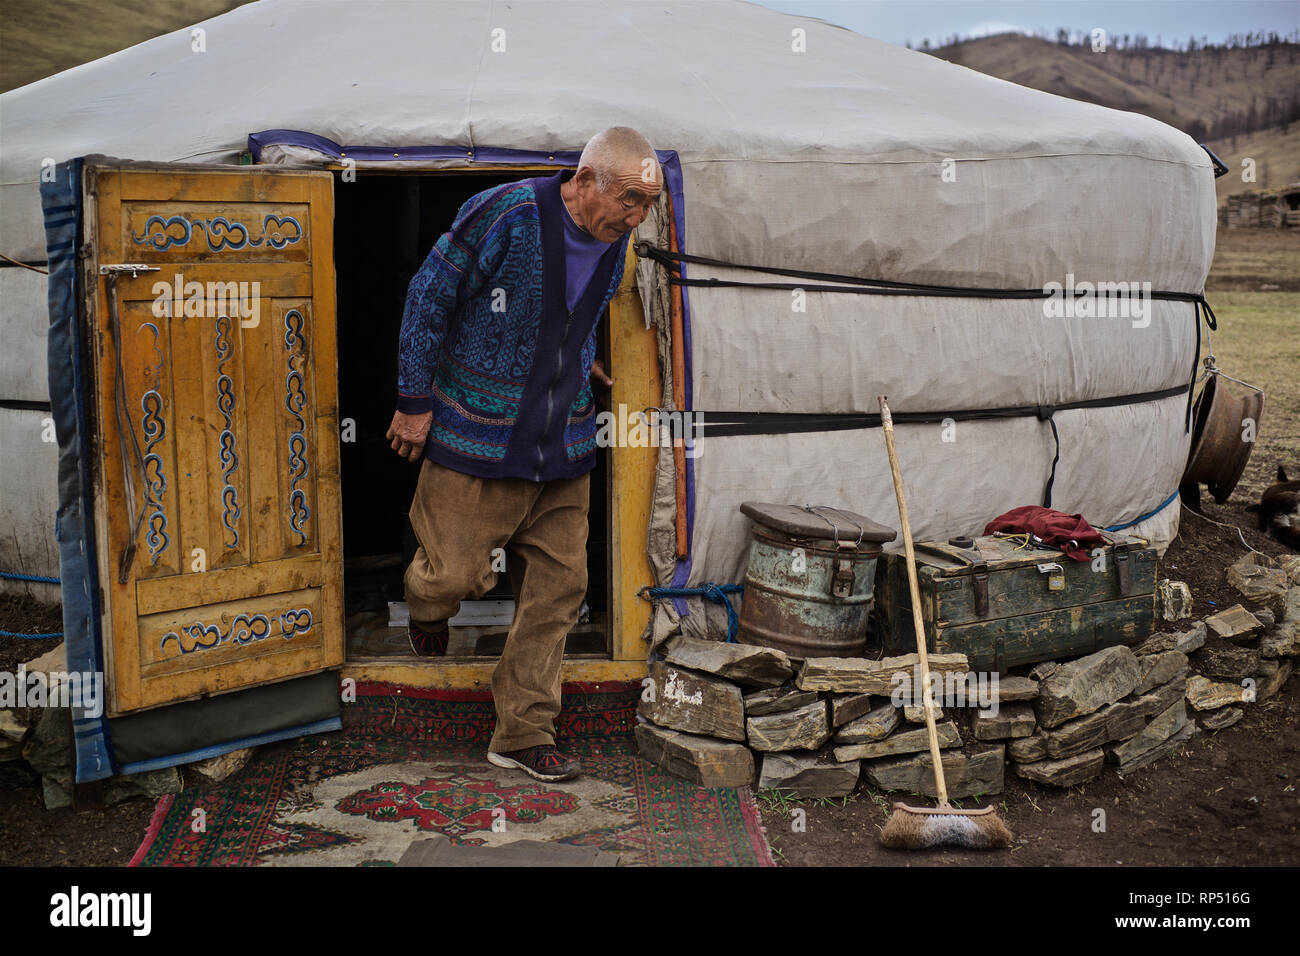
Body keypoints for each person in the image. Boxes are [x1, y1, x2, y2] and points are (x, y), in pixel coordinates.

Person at [386, 127, 662, 782]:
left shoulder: (615, 233)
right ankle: (424, 607)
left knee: (559, 592)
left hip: (562, 442)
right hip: (477, 433)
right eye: (630, 198)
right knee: (454, 576)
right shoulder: (506, 213)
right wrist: (413, 401)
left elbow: (576, 305)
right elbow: (430, 296)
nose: (638, 216)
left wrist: (581, 357)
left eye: (648, 203)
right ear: (588, 178)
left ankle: (523, 731)